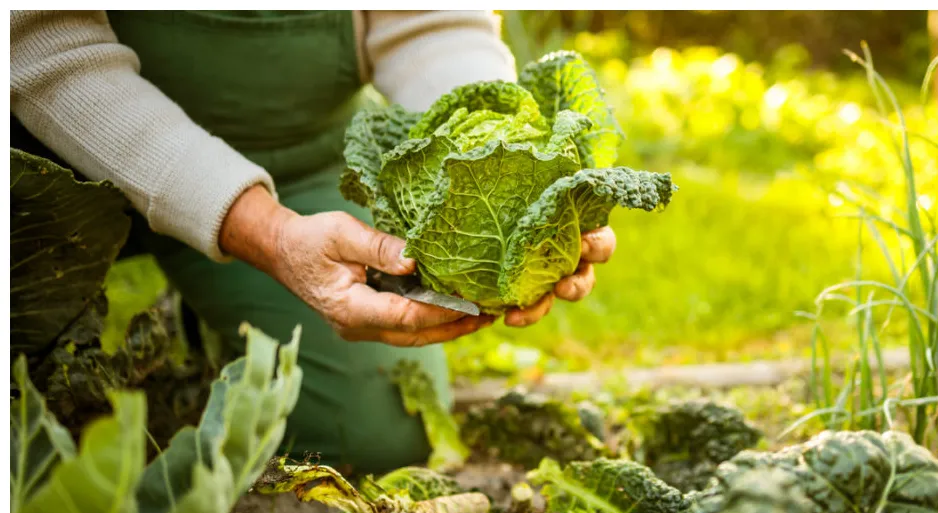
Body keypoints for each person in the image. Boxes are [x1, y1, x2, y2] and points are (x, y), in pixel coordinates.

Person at [10, 10, 617, 474]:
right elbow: (40, 44)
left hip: (296, 164)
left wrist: (509, 169)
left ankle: (211, 322)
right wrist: (267, 236)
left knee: (375, 435)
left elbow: (435, 24)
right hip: (52, 160)